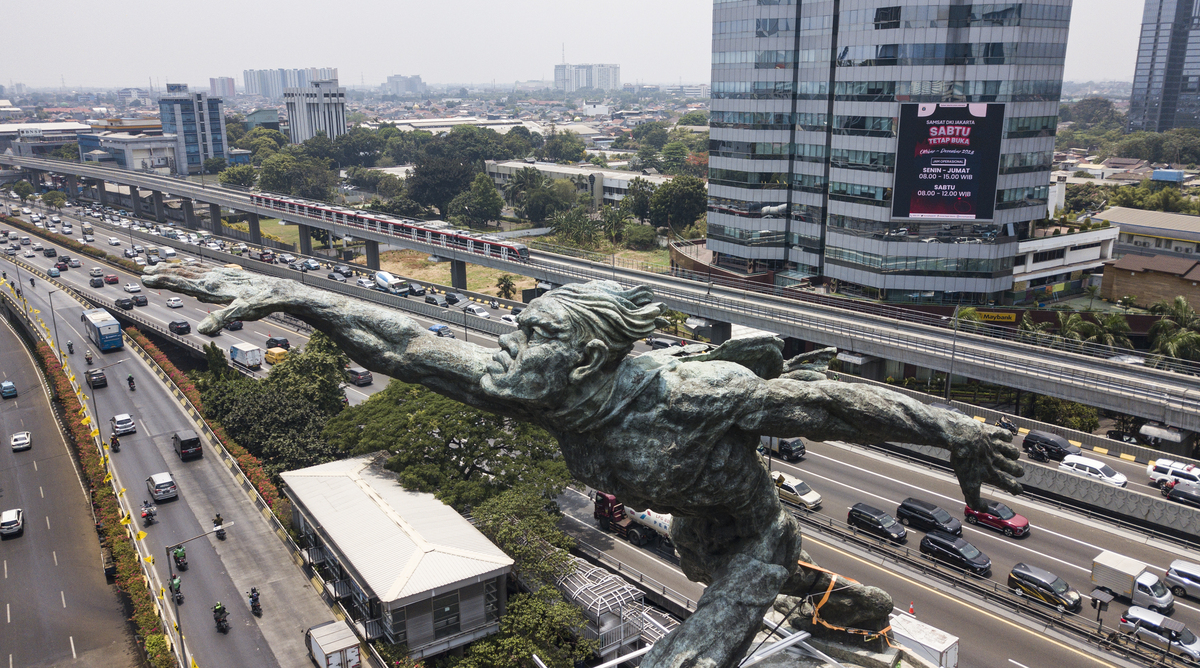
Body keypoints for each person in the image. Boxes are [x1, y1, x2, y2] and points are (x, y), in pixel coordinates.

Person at [144, 267, 1023, 668]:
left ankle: (818, 602)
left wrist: (953, 428)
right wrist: (297, 294)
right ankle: (845, 610)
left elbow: (829, 404)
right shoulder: (540, 391)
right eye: (523, 330)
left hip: (753, 534)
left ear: (586, 358)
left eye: (537, 337)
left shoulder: (694, 393)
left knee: (705, 643)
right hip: (688, 531)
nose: (511, 346)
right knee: (705, 571)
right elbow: (406, 343)